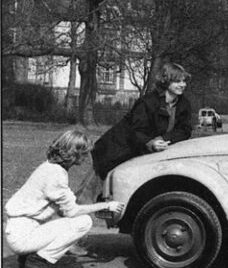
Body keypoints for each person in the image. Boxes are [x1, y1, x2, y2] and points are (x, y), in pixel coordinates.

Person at [72, 62, 192, 251]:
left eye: (184, 81)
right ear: (166, 81)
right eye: (178, 81)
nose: (182, 85)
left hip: (142, 155)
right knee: (86, 196)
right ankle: (69, 241)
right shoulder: (147, 102)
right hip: (116, 151)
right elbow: (135, 131)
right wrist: (150, 142)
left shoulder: (183, 104)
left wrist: (163, 139)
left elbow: (184, 130)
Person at [4, 130, 124, 268]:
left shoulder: (50, 167)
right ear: (74, 153)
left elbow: (63, 211)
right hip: (22, 235)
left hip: (21, 228)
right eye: (84, 153)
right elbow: (72, 211)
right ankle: (37, 260)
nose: (86, 157)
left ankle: (26, 257)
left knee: (68, 220)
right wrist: (107, 205)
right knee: (84, 222)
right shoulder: (56, 175)